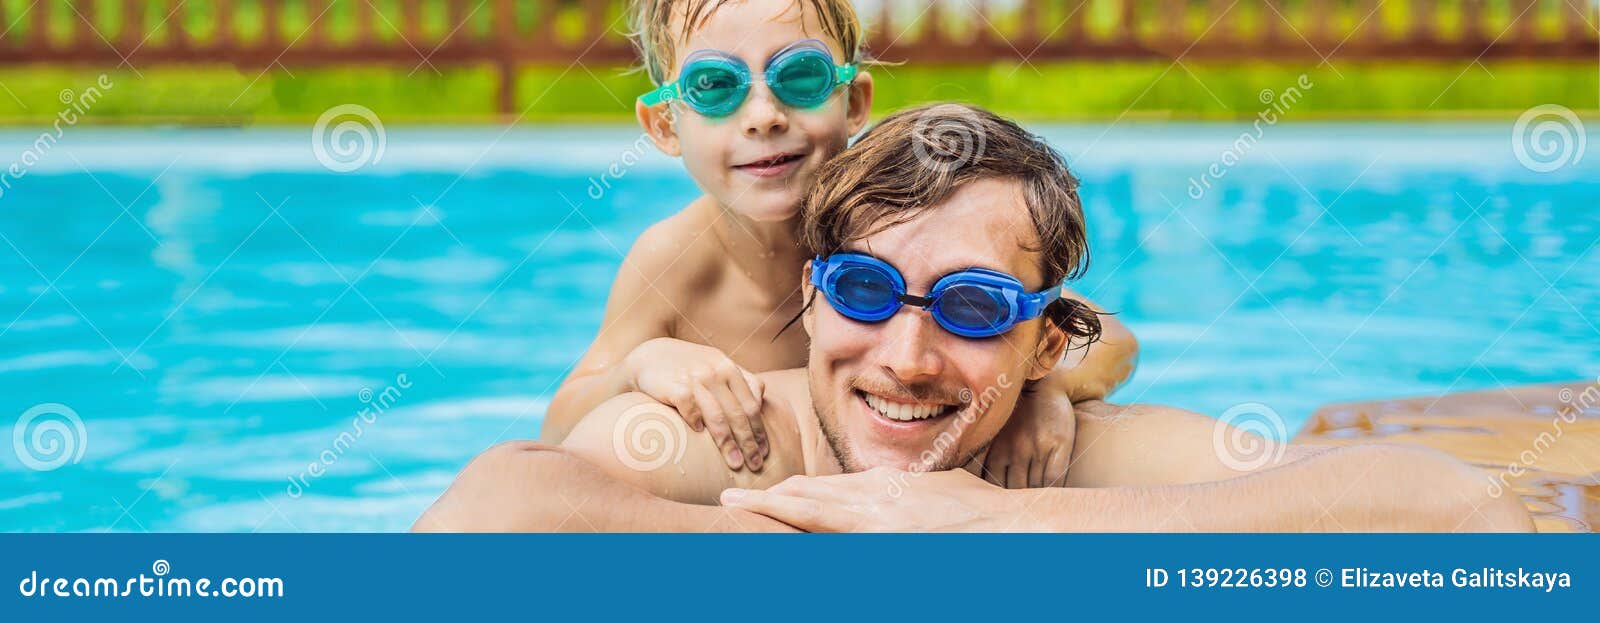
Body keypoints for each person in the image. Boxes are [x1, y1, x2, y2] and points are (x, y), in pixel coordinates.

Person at [415, 104, 1530, 532]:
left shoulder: (1074, 464)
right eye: (860, 291)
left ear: (1048, 341)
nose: (904, 358)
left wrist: (992, 525)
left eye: (973, 308)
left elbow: (1465, 507)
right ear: (807, 296)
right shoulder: (738, 442)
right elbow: (487, 512)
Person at [540, 0, 1139, 488]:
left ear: (853, 102)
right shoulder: (672, 259)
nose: (764, 115)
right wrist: (637, 368)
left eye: (799, 77)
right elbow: (559, 430)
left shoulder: (895, 222)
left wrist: (1043, 386)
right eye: (715, 85)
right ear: (666, 126)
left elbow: (1109, 338)